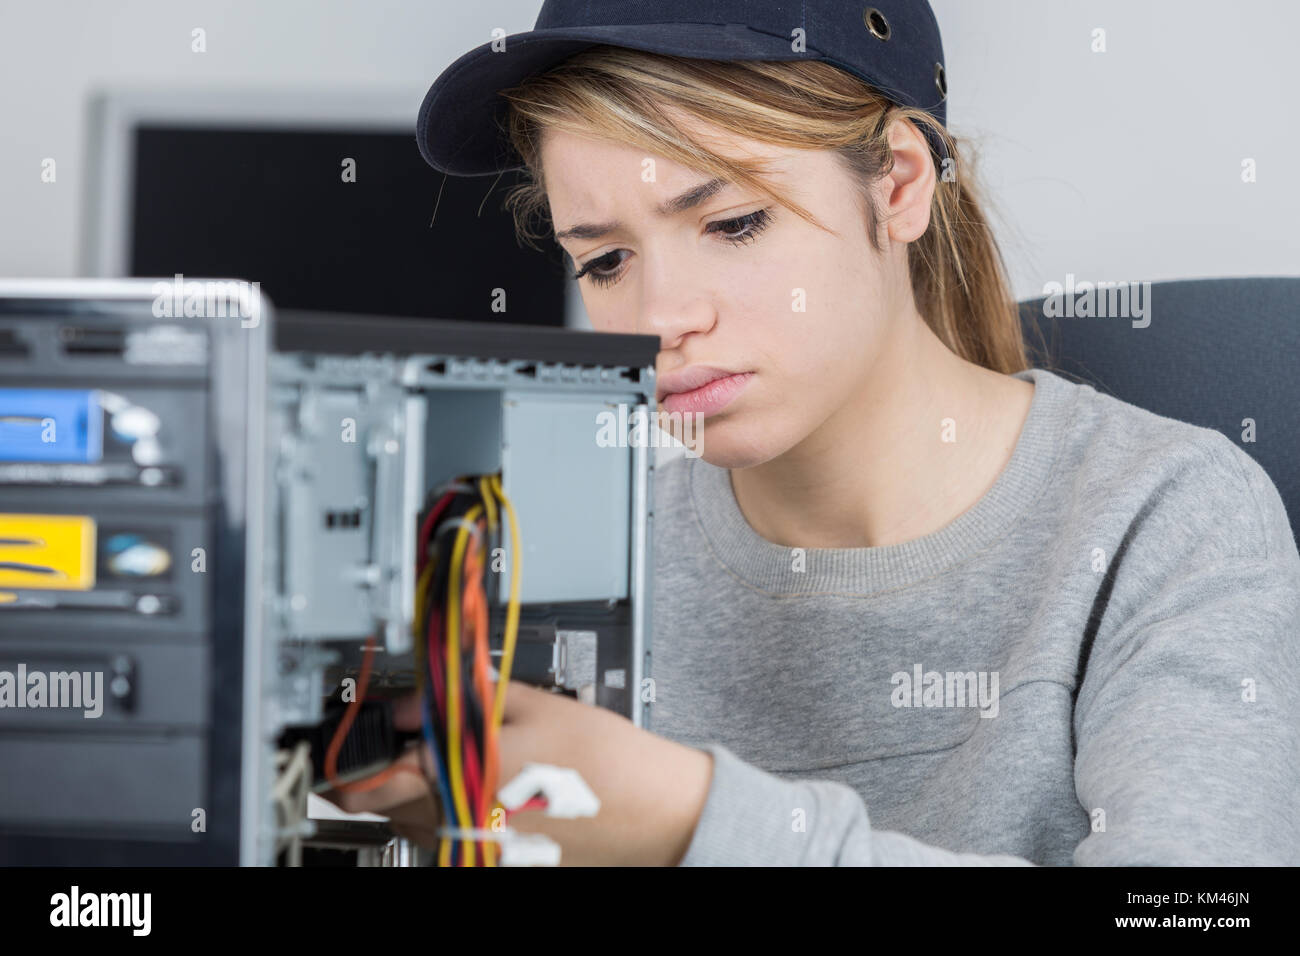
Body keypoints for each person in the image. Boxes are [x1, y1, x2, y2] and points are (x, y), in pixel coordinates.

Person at [323, 0, 1300, 865]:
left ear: (899, 186)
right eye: (609, 258)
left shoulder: (1162, 521)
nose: (662, 318)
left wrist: (690, 821)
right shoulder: (583, 559)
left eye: (735, 221)